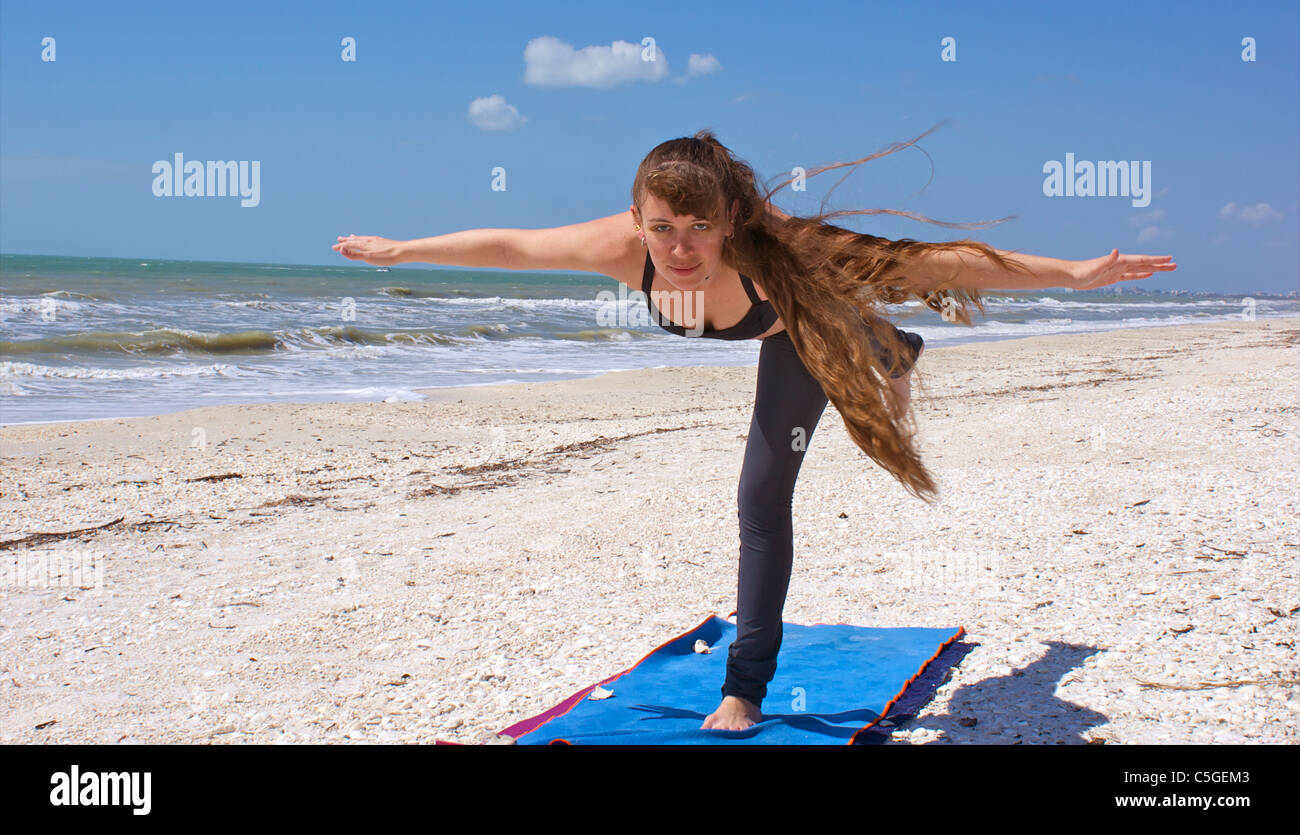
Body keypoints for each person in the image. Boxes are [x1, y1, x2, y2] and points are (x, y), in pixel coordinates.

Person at [333, 126, 1176, 732]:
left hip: (800, 326)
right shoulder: (619, 245)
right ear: (636, 218)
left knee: (761, 495)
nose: (681, 247)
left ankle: (745, 687)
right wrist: (400, 250)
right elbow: (511, 245)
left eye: (700, 226)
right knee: (857, 356)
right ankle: (893, 342)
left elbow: (938, 261)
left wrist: (1076, 272)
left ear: (732, 217)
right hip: (801, 327)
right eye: (662, 226)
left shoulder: (793, 249)